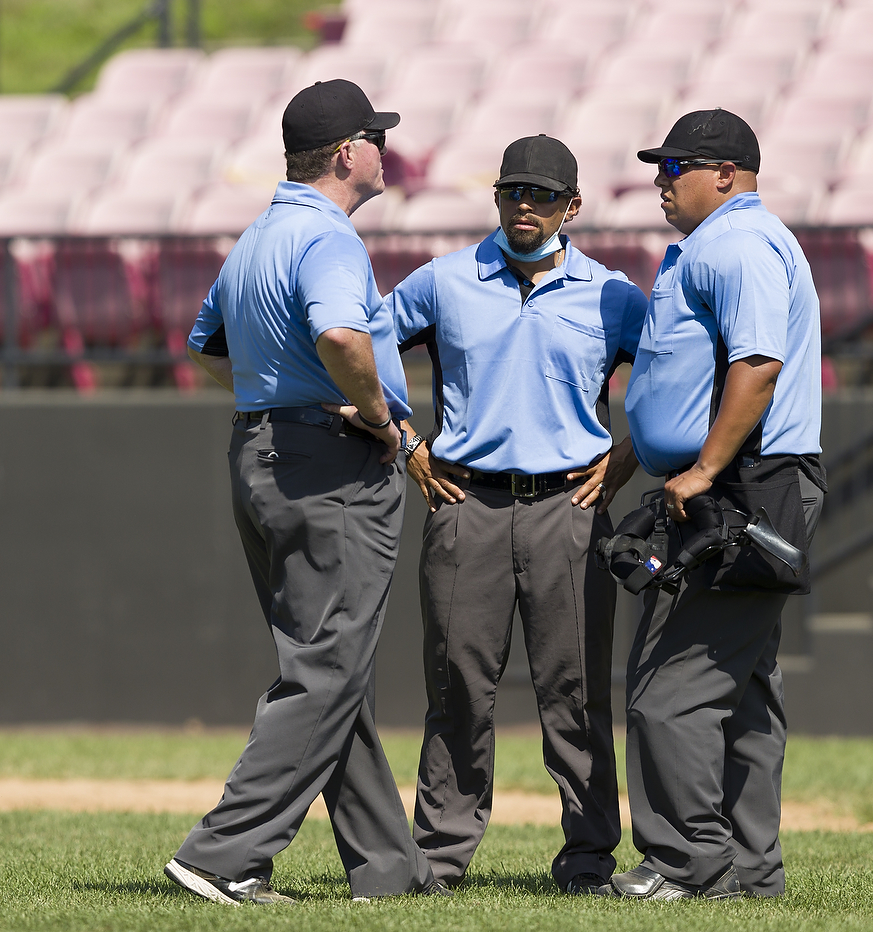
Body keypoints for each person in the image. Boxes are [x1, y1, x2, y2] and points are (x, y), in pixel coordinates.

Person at [164, 79, 444, 906]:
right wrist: (376, 417)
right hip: (328, 465)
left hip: (262, 451)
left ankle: (390, 870)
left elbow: (205, 347)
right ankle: (222, 854)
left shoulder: (258, 235)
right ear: (347, 152)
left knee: (330, 664)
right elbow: (338, 334)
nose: (385, 149)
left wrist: (274, 398)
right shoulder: (325, 237)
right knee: (326, 665)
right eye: (377, 137)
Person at [386, 135, 648, 895]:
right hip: (464, 502)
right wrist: (404, 441)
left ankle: (589, 858)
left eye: (541, 195)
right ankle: (438, 859)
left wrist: (629, 457)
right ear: (496, 199)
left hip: (571, 506)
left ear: (573, 206)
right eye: (511, 193)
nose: (523, 206)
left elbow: (677, 380)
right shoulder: (443, 281)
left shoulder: (613, 295)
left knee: (576, 689)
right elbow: (361, 349)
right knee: (458, 685)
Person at [612, 110, 825, 900]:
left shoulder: (737, 243)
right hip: (740, 477)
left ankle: (687, 866)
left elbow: (759, 362)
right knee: (743, 691)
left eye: (674, 169)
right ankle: (750, 871)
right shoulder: (717, 244)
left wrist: (703, 467)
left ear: (725, 174)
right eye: (659, 169)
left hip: (744, 481)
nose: (660, 183)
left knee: (671, 689)